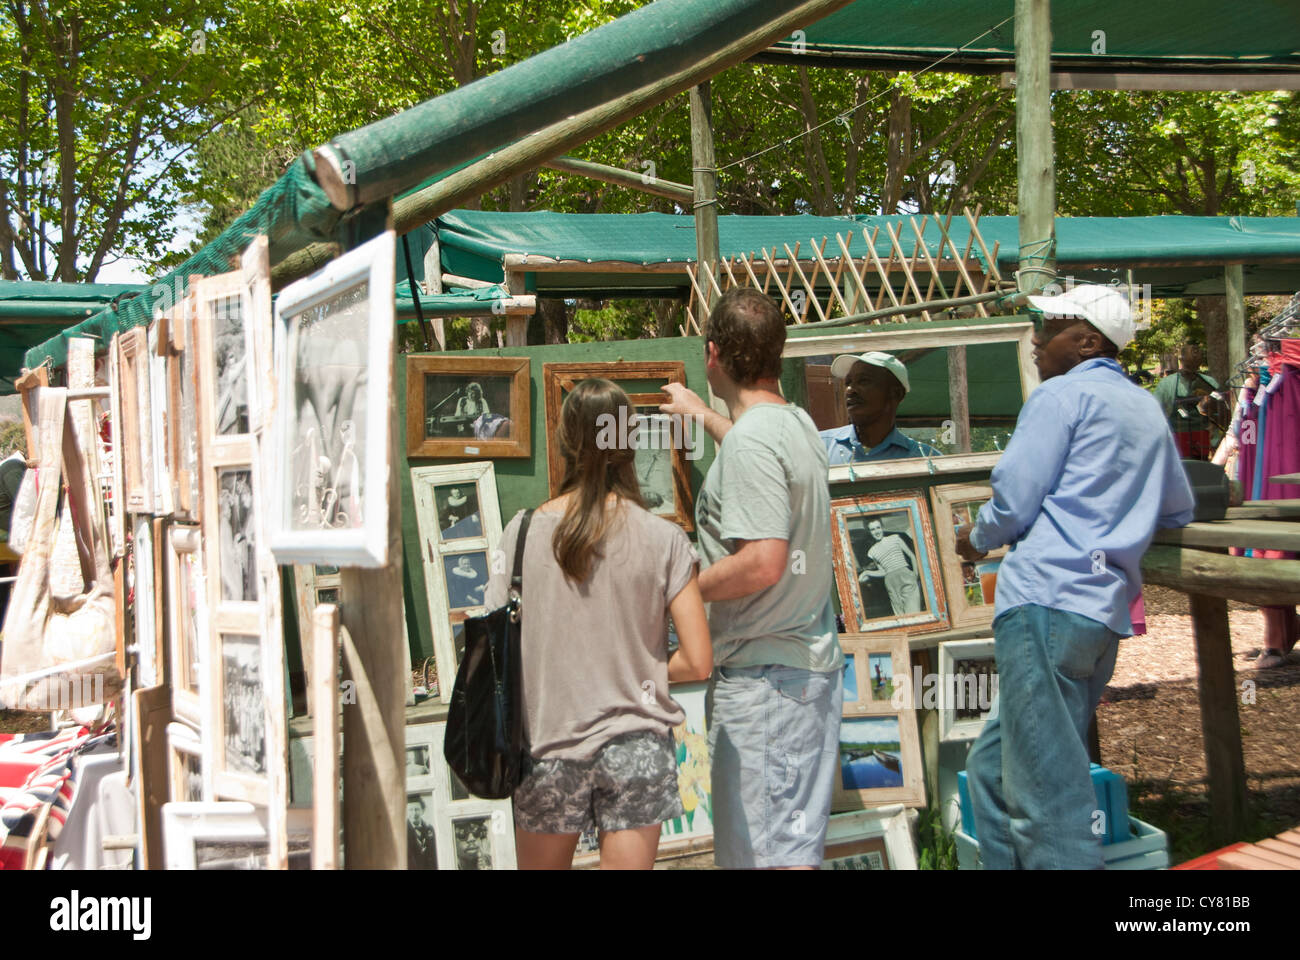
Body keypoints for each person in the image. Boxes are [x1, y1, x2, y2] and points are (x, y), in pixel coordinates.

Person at [956, 283, 1195, 869]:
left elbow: (1013, 500)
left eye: (1048, 328)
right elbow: (1178, 507)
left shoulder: (1059, 396)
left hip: (1045, 604)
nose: (1035, 340)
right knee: (990, 770)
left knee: (1049, 801)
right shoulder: (1144, 406)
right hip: (1099, 615)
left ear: (1088, 341)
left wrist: (974, 537)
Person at [485, 378, 712, 871]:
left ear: (565, 443)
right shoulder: (665, 539)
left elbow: (494, 646)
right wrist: (639, 673)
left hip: (547, 751)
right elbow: (697, 661)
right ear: (629, 443)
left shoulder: (520, 534)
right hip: (637, 750)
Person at [659, 287, 843, 870]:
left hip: (766, 687)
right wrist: (703, 415)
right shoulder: (796, 426)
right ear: (777, 355)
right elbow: (753, 450)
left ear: (712, 353)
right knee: (787, 848)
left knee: (762, 856)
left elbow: (763, 561)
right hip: (798, 673)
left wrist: (680, 591)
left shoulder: (754, 441)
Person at [819, 351, 941, 463]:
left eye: (864, 381)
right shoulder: (818, 447)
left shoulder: (925, 459)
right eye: (848, 383)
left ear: (896, 393)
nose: (850, 390)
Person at [1154, 343, 1227, 460]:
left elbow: (1222, 416)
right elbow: (1155, 416)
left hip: (1204, 446)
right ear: (1181, 359)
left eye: (1197, 352)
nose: (1195, 354)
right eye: (1192, 351)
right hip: (1177, 447)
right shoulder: (1167, 385)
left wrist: (1215, 444)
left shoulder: (1210, 383)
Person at [857, 517, 922, 615]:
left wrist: (915, 575)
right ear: (869, 532)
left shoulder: (895, 538)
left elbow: (912, 556)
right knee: (901, 616)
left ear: (882, 527)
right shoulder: (872, 552)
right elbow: (883, 571)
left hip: (906, 577)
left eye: (878, 527)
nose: (876, 531)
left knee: (913, 613)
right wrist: (867, 572)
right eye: (872, 529)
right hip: (890, 584)